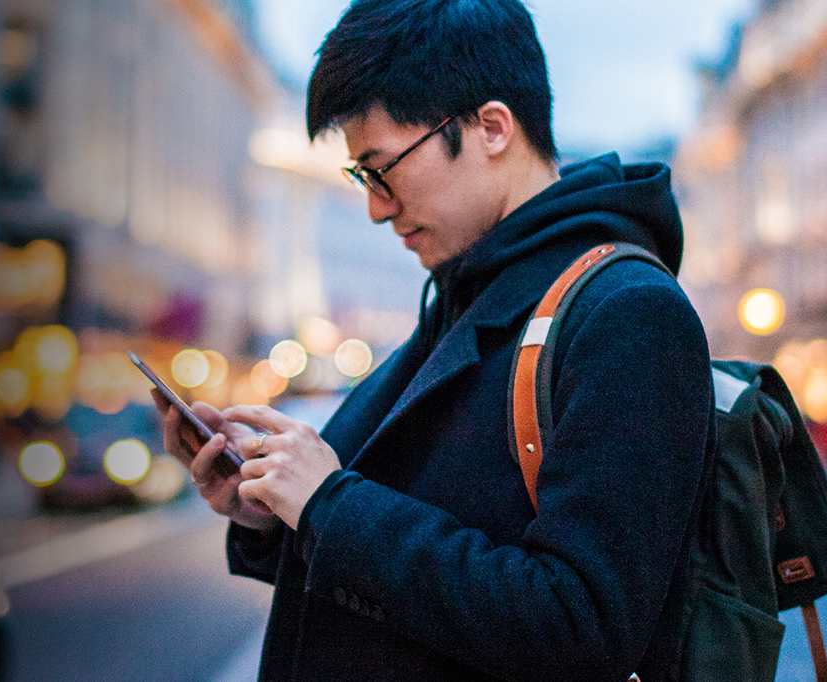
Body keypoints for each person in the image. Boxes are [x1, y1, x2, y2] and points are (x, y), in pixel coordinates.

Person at [154, 1, 712, 679]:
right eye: (361, 177)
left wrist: (329, 503)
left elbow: (581, 625)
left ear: (491, 128)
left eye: (382, 168)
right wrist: (273, 508)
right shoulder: (465, 292)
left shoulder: (626, 311)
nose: (376, 207)